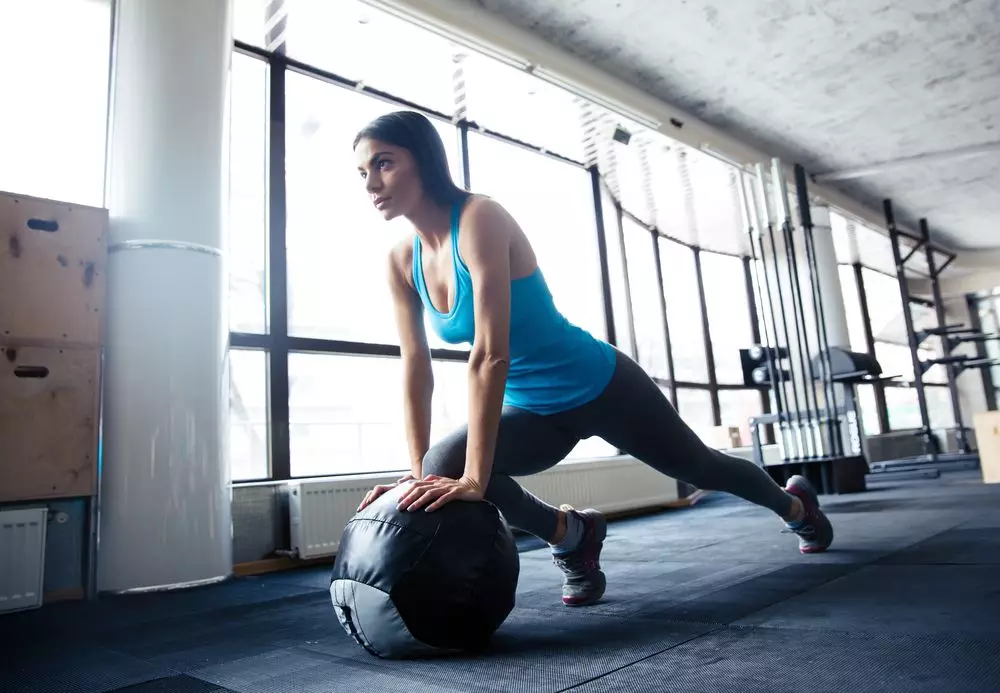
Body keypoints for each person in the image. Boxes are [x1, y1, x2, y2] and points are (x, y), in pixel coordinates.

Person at [353, 110, 834, 607]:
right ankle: (572, 536)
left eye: (384, 163)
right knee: (441, 464)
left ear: (425, 160)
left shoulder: (479, 218)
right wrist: (419, 475)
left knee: (703, 467)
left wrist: (475, 479)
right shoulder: (401, 261)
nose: (372, 183)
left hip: (602, 386)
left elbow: (490, 355)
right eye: (363, 172)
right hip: (536, 413)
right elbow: (415, 367)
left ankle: (794, 505)